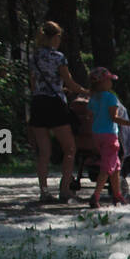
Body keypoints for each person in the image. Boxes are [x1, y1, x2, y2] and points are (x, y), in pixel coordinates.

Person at [28, 21, 87, 204]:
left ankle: (44, 191)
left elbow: (33, 84)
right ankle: (65, 190)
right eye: (59, 36)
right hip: (55, 105)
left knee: (44, 152)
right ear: (54, 37)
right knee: (69, 148)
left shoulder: (34, 57)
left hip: (38, 104)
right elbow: (69, 83)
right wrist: (86, 92)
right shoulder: (58, 57)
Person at [85, 67, 130, 208]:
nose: (111, 82)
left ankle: (117, 195)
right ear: (102, 82)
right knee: (106, 168)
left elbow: (90, 117)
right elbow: (114, 118)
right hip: (109, 136)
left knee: (115, 166)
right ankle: (96, 195)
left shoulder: (93, 99)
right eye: (109, 80)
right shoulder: (110, 98)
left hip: (97, 135)